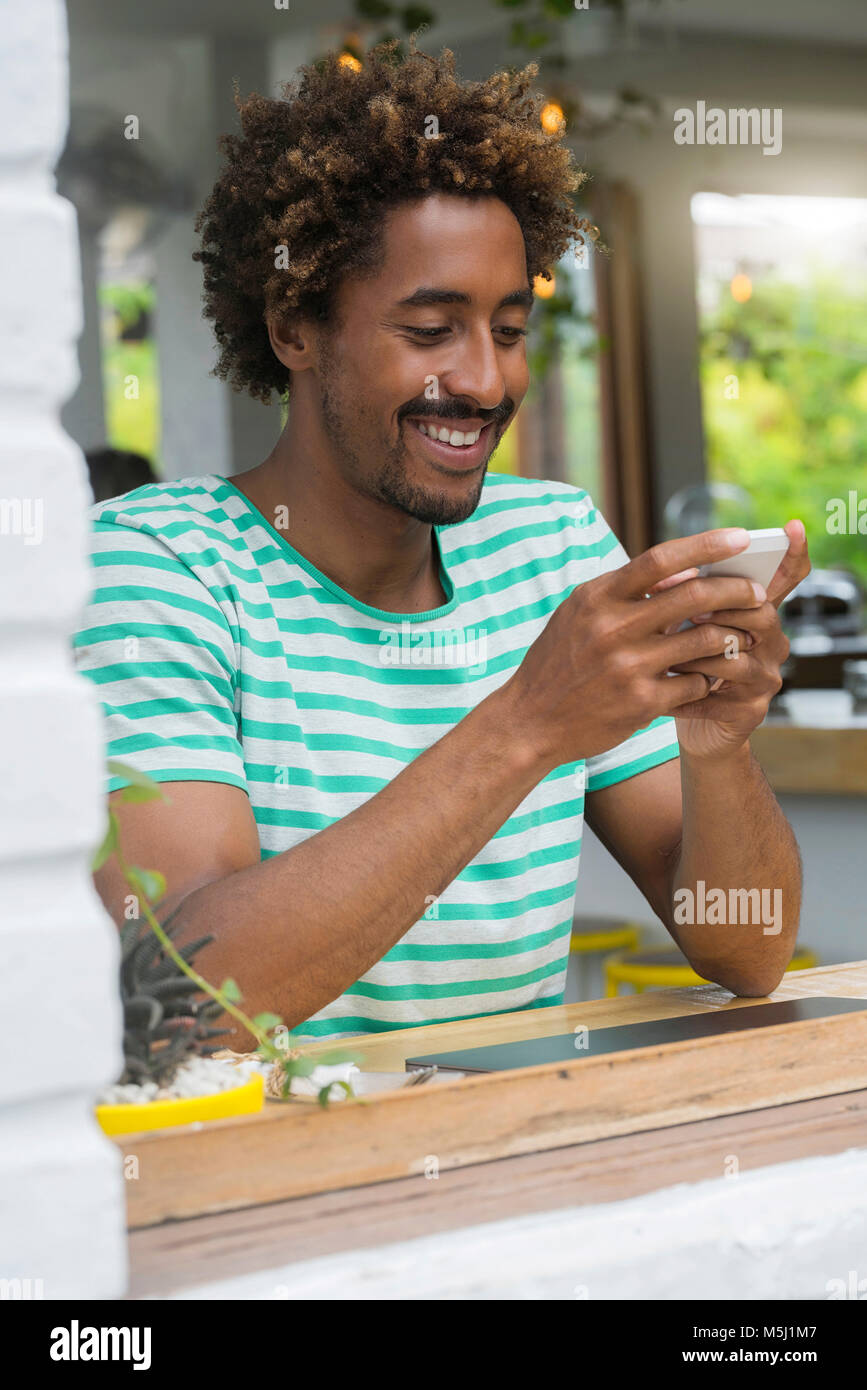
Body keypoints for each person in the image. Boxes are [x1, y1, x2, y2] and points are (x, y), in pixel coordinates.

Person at [73, 44, 809, 1048]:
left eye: (508, 330)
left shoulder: (549, 546)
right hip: (254, 1188)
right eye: (431, 329)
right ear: (295, 325)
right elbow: (184, 1007)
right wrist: (526, 723)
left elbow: (751, 950)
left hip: (498, 1162)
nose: (484, 380)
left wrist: (718, 745)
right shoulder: (153, 568)